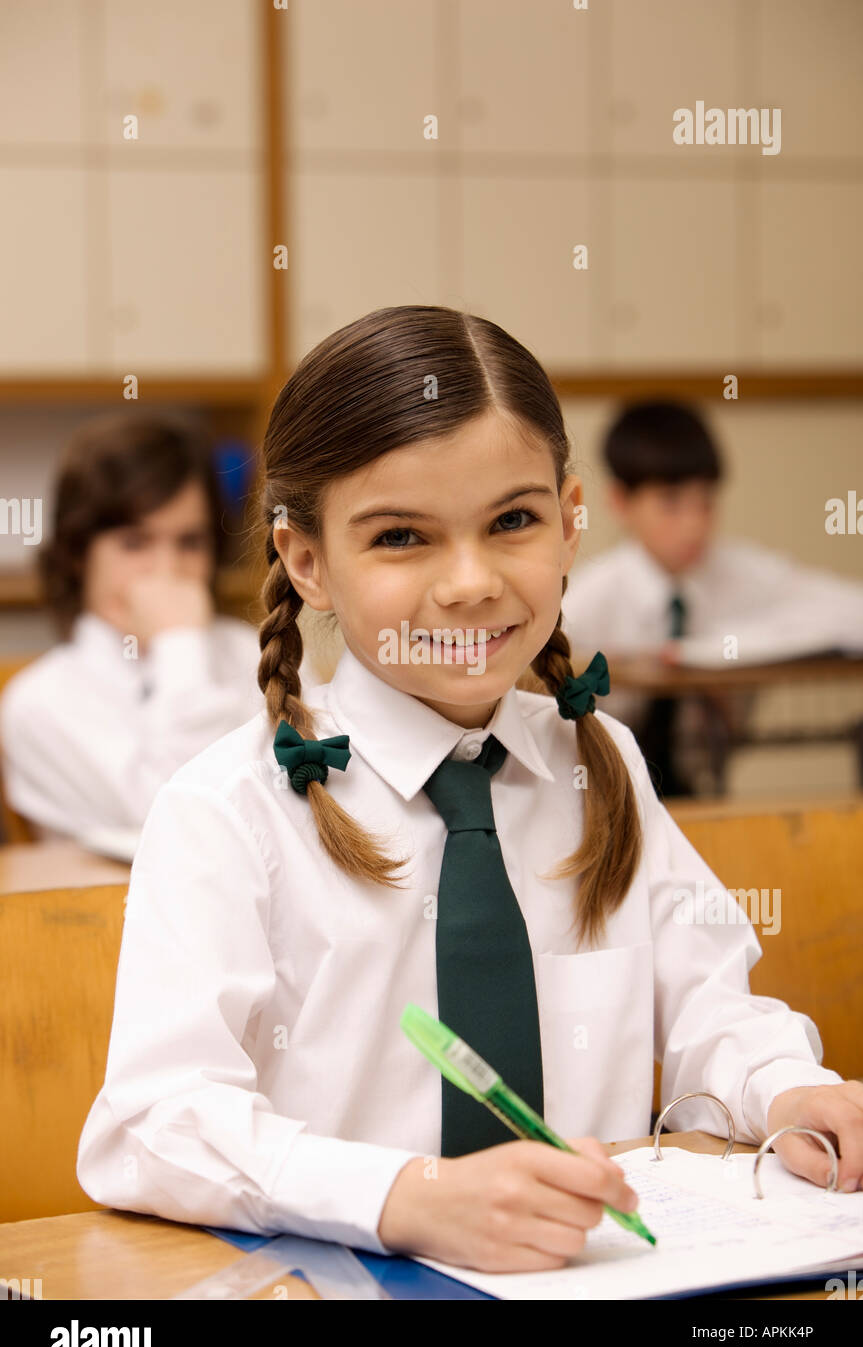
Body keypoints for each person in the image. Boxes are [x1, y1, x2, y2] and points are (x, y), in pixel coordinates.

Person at [76, 308, 862, 1275]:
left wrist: (785, 1089)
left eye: (513, 522)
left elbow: (709, 1009)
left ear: (572, 522)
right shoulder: (228, 812)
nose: (469, 582)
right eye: (402, 536)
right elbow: (154, 1120)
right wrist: (406, 1198)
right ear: (307, 560)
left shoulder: (600, 762)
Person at [0, 413, 321, 841]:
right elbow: (187, 821)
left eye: (190, 542)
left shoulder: (255, 650)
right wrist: (179, 644)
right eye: (135, 543)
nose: (166, 570)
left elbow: (317, 787)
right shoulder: (40, 703)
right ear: (78, 554)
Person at [560, 400, 863, 796]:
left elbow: (851, 611)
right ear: (620, 502)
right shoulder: (589, 598)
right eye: (671, 503)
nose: (694, 525)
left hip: (705, 787)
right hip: (603, 794)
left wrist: (726, 647)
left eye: (705, 502)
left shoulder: (744, 574)